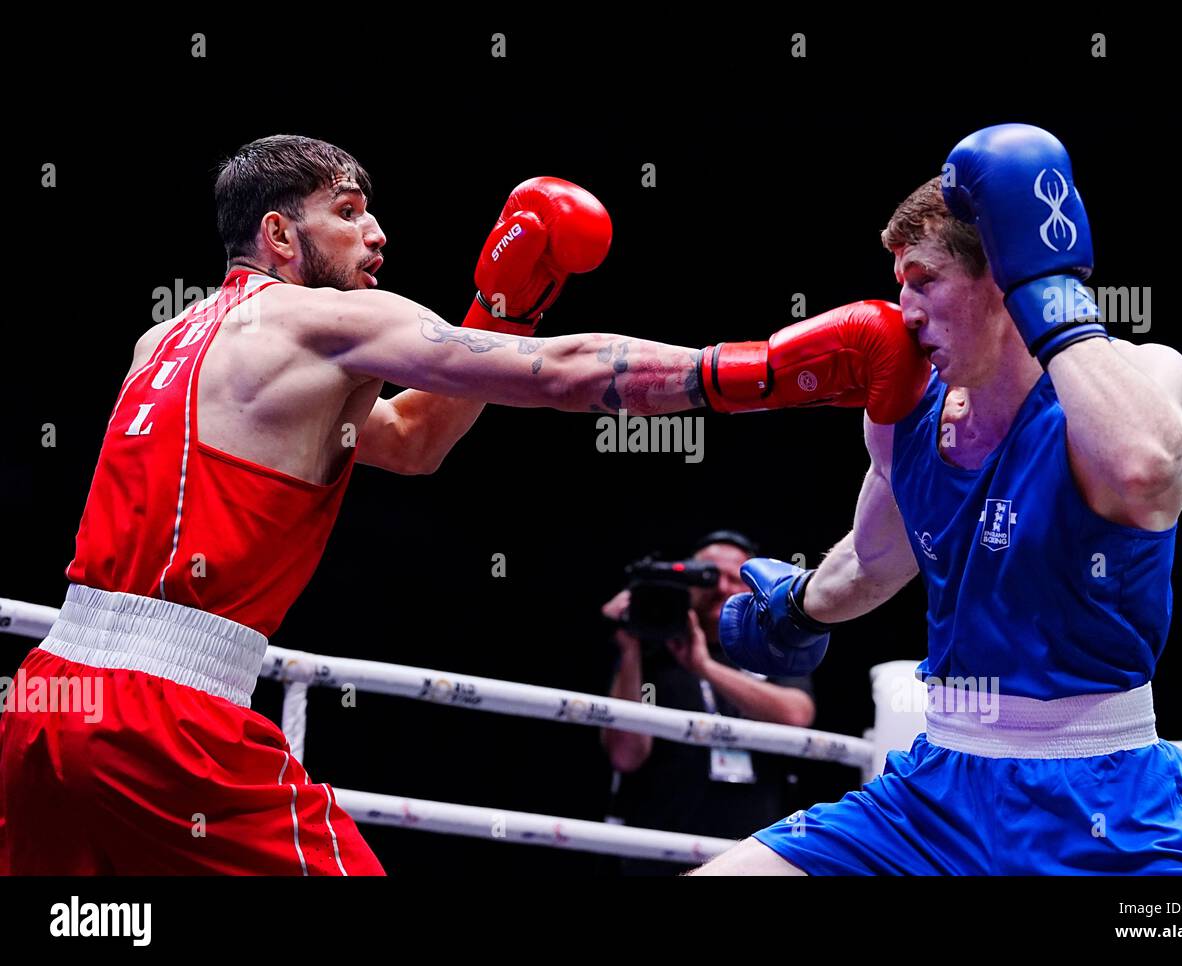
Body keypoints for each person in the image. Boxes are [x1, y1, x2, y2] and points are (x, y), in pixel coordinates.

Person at [0, 135, 927, 874]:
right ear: (281, 236)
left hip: (48, 702)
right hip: (171, 725)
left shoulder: (161, 337)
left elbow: (412, 442)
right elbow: (561, 376)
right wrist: (753, 373)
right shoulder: (324, 319)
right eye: (349, 213)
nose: (378, 235)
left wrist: (499, 309)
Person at [694, 124, 1182, 875]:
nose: (905, 311)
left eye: (924, 279)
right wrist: (794, 612)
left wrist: (1049, 291)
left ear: (1004, 276)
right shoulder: (912, 414)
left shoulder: (1144, 375)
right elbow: (874, 560)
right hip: (931, 798)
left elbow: (1144, 466)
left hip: (1102, 804)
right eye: (899, 286)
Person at [601, 531, 815, 875]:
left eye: (736, 578)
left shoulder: (771, 650)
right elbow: (625, 755)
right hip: (657, 850)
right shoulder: (648, 651)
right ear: (687, 583)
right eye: (710, 575)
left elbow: (795, 714)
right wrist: (629, 648)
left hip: (752, 852)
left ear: (753, 589)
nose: (722, 587)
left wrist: (703, 667)